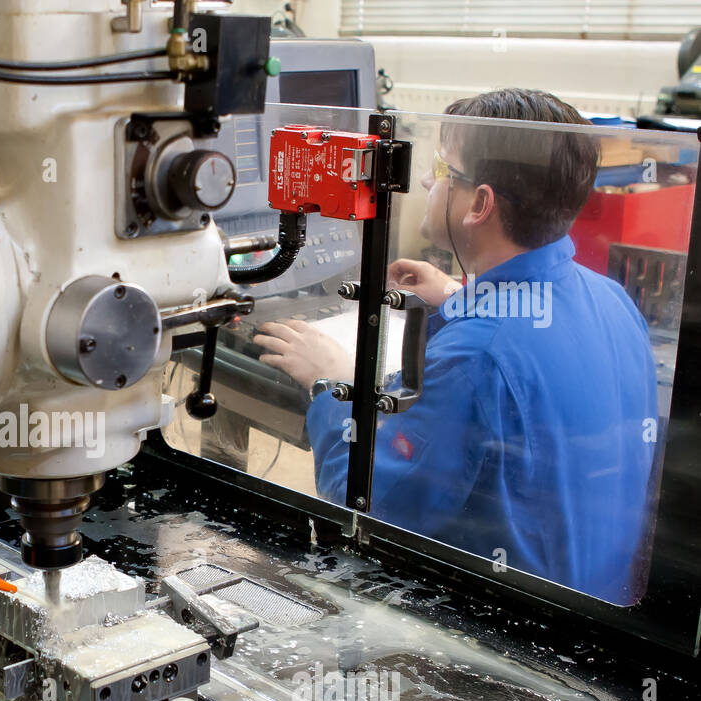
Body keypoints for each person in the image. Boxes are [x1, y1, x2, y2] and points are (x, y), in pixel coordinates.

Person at [254, 89, 658, 604]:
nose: (425, 180)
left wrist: (336, 382)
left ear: (481, 204)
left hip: (507, 631)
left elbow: (373, 501)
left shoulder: (478, 358)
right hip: (594, 597)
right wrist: (460, 297)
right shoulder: (612, 299)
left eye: (443, 169)